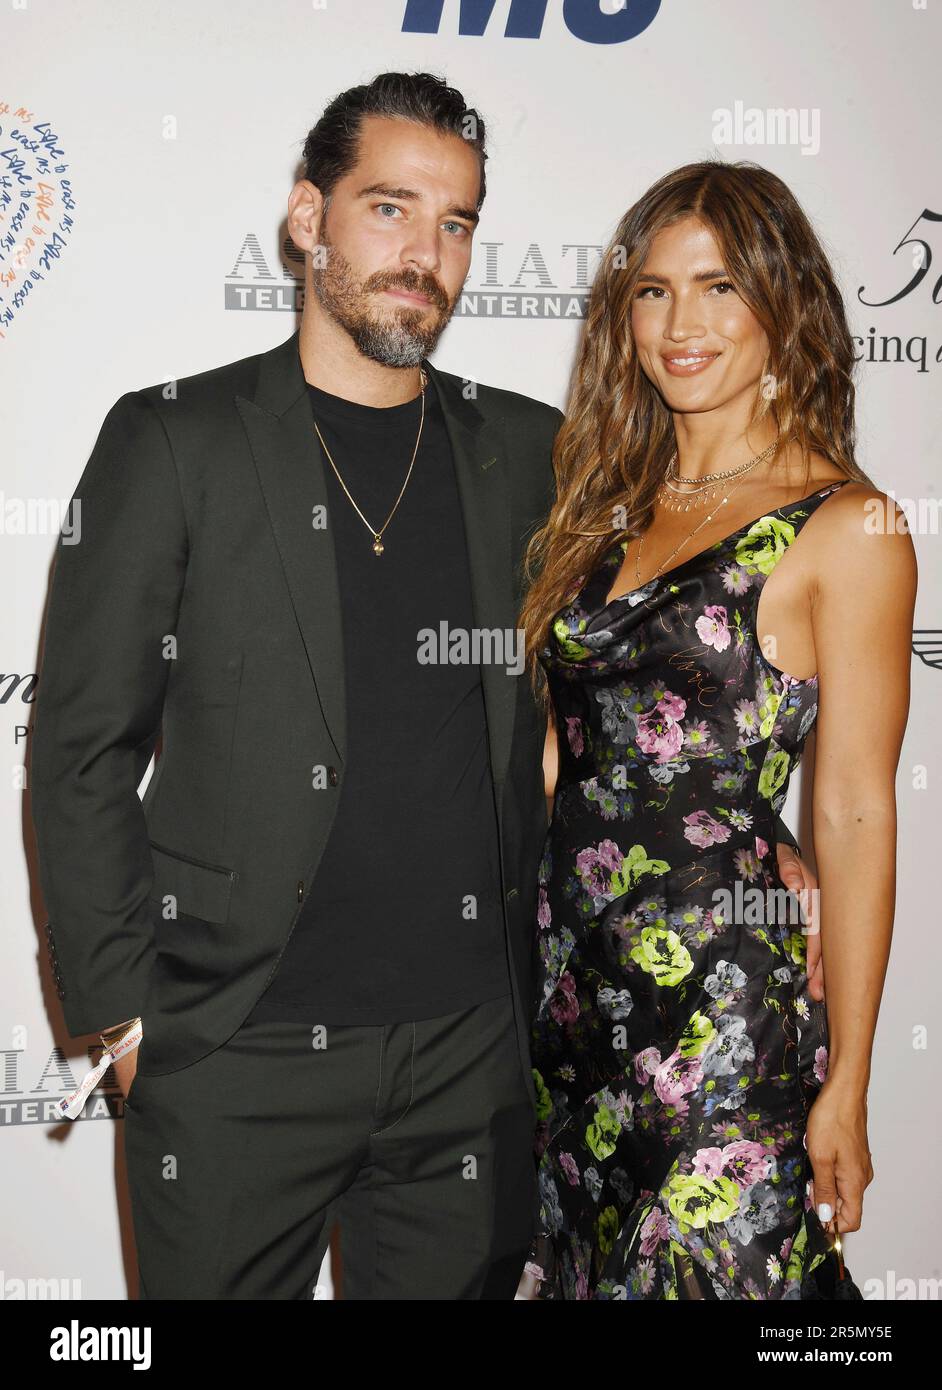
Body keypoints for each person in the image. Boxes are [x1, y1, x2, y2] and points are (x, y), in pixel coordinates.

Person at [30, 73, 815, 1299]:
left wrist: (759, 832)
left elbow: (644, 660)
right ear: (307, 218)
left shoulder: (532, 453)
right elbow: (77, 747)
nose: (425, 254)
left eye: (456, 223)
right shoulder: (173, 440)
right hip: (238, 1054)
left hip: (471, 1057)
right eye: (390, 209)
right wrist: (125, 1022)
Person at [515, 160, 915, 1300]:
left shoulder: (849, 525)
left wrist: (849, 1084)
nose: (680, 324)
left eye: (720, 287)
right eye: (652, 291)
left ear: (783, 304)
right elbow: (557, 753)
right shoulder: (601, 504)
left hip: (721, 1007)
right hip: (568, 992)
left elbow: (852, 808)